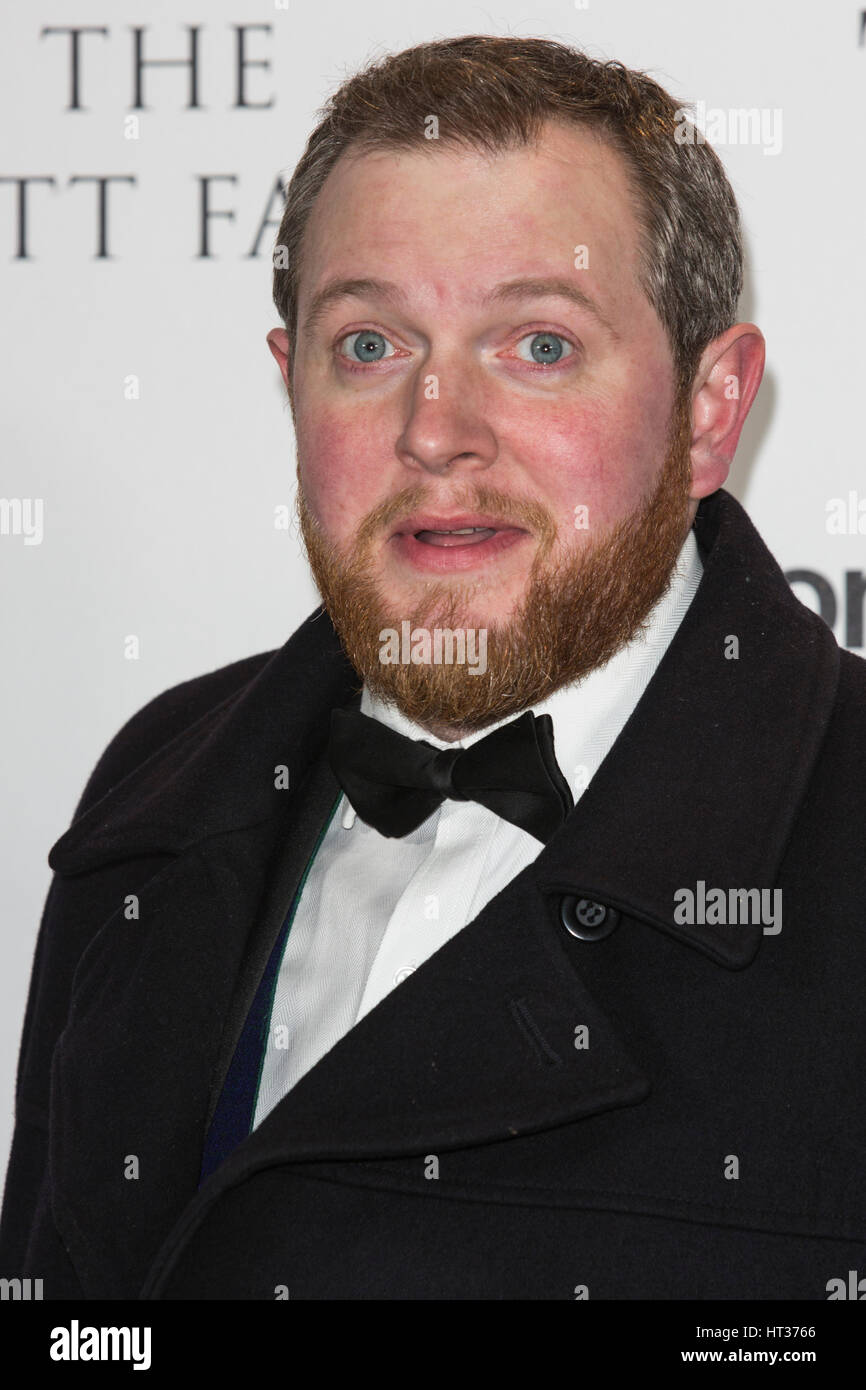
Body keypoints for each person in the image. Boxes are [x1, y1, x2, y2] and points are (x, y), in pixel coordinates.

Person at [2, 34, 864, 1301]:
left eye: (539, 346)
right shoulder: (159, 786)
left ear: (708, 409)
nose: (435, 432)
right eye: (366, 345)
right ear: (286, 379)